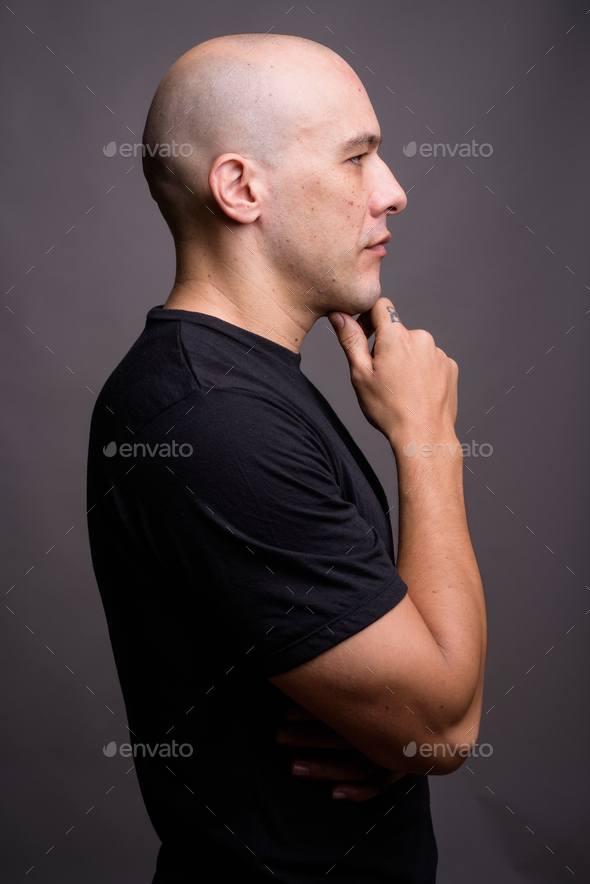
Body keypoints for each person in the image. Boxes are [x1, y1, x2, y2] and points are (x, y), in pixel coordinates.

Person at [86, 32, 487, 883]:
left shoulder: (236, 386)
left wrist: (391, 730)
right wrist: (428, 442)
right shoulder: (214, 418)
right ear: (240, 187)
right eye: (357, 157)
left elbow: (407, 715)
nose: (394, 192)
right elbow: (445, 726)